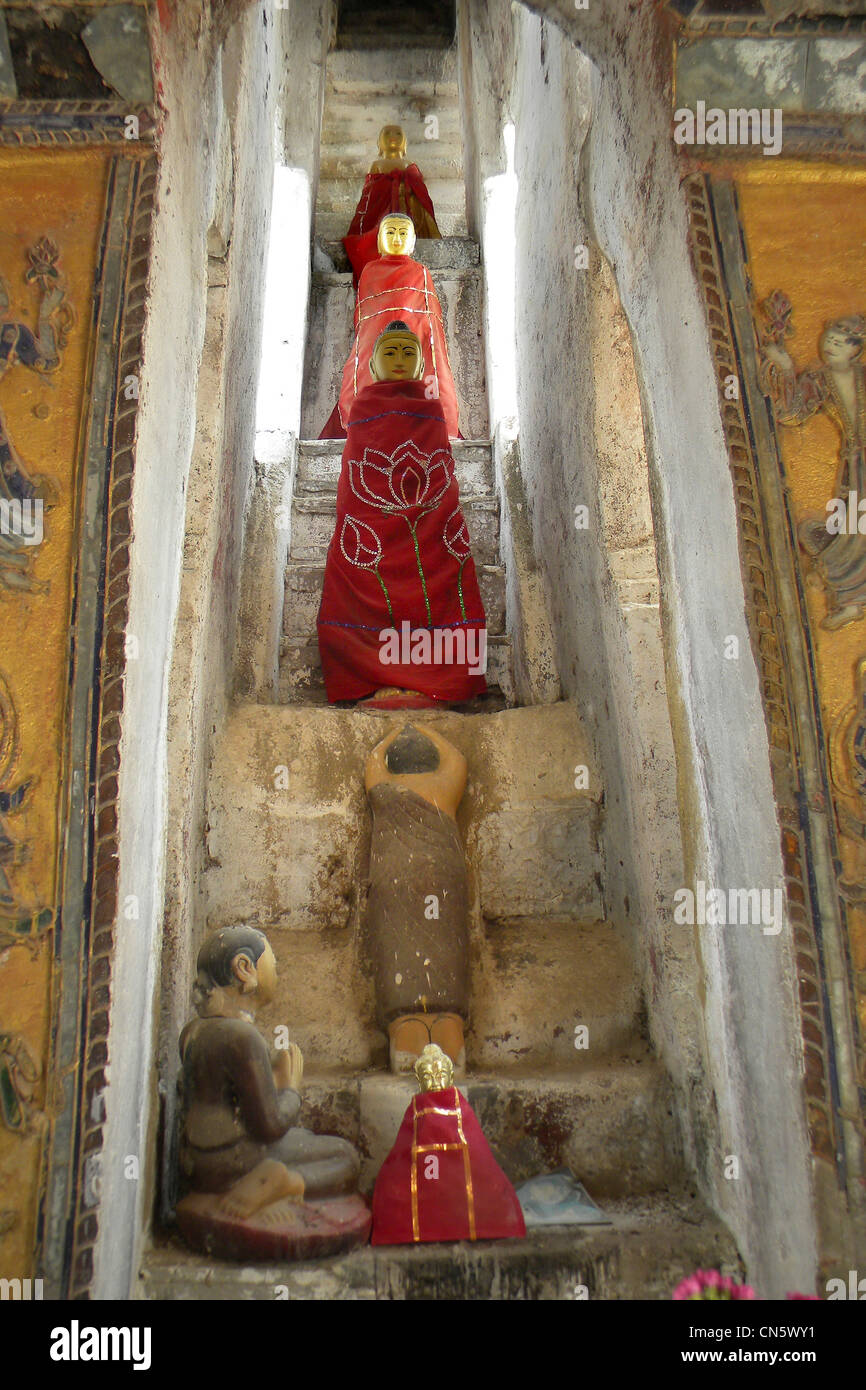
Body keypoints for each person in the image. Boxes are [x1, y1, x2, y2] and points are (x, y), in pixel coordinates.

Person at [316, 321, 486, 705]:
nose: (398, 360)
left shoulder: (431, 409)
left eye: (408, 353)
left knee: (443, 577)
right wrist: (377, 512)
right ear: (373, 365)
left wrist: (430, 510)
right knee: (358, 581)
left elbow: (440, 467)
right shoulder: (363, 408)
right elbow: (354, 477)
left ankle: (438, 679)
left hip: (429, 521)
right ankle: (374, 676)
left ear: (421, 363)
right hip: (372, 519)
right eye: (390, 353)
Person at [178, 925, 359, 1218]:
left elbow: (221, 1098)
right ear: (244, 968)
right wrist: (290, 1087)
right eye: (272, 964)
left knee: (307, 1141)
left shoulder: (192, 1032)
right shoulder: (243, 1037)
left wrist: (268, 1078)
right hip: (238, 1159)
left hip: (198, 1164)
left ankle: (269, 1178)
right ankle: (282, 1182)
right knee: (345, 1157)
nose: (277, 972)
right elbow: (269, 1126)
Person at [364, 723, 470, 1072]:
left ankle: (405, 1032)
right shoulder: (445, 786)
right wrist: (426, 728)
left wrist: (395, 732)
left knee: (400, 949)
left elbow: (373, 760)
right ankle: (449, 1032)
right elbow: (456, 759)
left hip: (394, 881)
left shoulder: (383, 790)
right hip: (443, 879)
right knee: (445, 950)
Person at [761, 302, 866, 630]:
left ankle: (846, 592)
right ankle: (850, 597)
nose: (829, 346)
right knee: (855, 531)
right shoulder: (820, 380)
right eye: (828, 340)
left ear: (856, 350)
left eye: (838, 342)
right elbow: (790, 413)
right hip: (857, 466)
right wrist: (785, 365)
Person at [320, 213, 460, 440]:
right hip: (377, 339)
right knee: (366, 366)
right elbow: (366, 318)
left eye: (403, 233)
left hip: (413, 338)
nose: (397, 238)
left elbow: (428, 316)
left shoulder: (420, 272)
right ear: (379, 240)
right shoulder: (370, 271)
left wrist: (420, 338)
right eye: (390, 232)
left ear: (412, 242)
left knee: (421, 370)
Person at [371, 1044, 526, 1245]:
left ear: (450, 1076)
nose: (435, 1081)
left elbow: (478, 1156)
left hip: (460, 1196)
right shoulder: (417, 1112)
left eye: (441, 1074)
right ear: (419, 1080)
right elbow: (405, 1154)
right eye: (428, 1076)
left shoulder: (461, 1109)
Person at [343, 124, 441, 285]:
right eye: (387, 133)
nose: (392, 136)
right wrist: (391, 185)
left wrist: (405, 186)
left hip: (408, 208)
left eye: (397, 133)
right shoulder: (377, 164)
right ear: (380, 142)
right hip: (383, 208)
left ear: (405, 142)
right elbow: (372, 190)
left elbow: (420, 190)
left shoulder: (410, 164)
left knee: (415, 204)